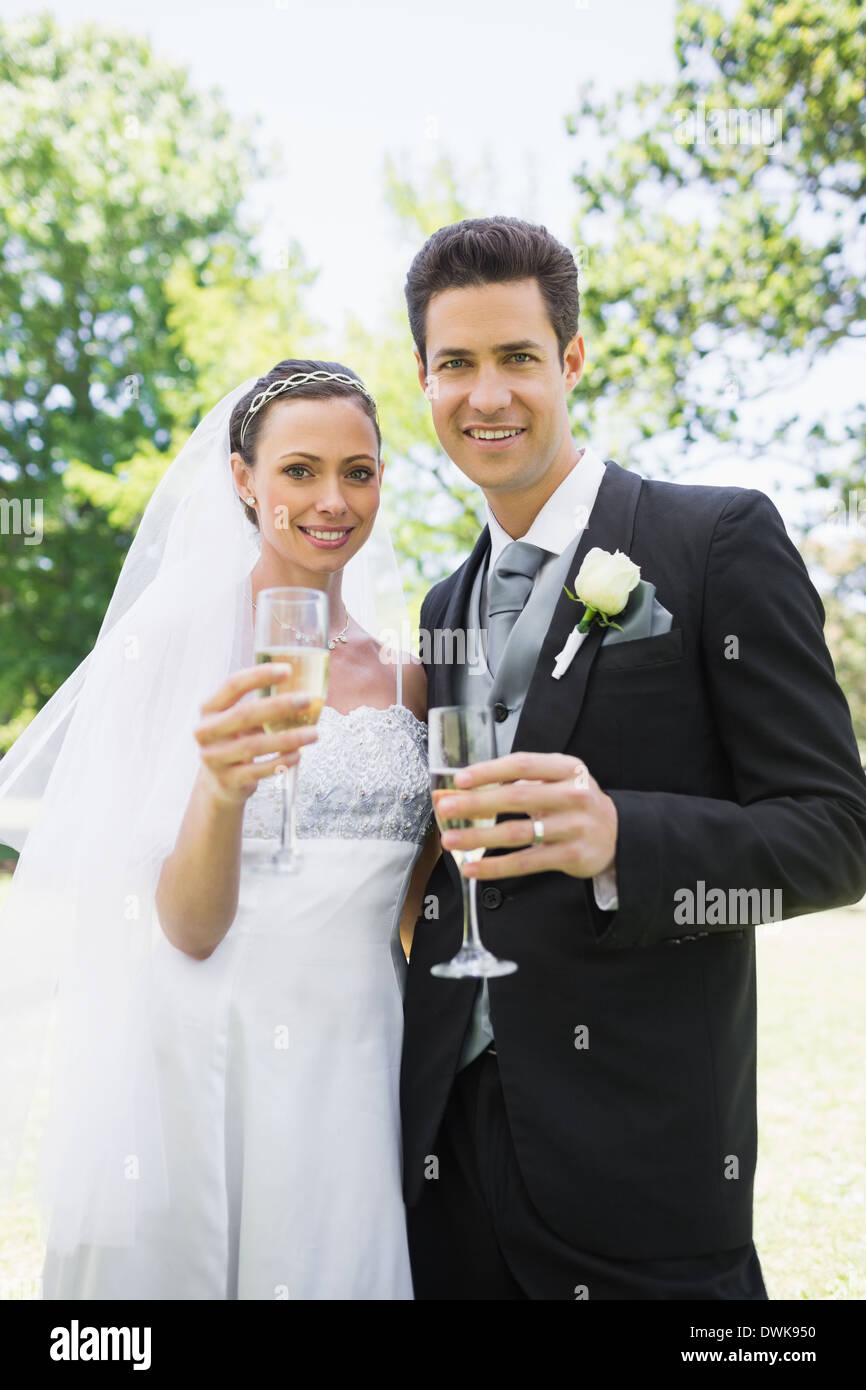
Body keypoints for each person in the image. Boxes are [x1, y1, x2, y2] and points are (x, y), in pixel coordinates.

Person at [398, 215, 866, 1300]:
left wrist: (622, 838)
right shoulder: (441, 607)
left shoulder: (713, 541)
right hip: (442, 1152)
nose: (487, 395)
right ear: (422, 380)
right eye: (454, 364)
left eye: (516, 357)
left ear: (569, 358)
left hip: (641, 1165)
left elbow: (836, 832)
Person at [0, 359, 438, 1300]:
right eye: (299, 470)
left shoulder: (411, 680)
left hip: (358, 1050)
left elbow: (414, 909)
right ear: (244, 480)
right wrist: (223, 787)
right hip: (204, 1042)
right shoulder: (169, 647)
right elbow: (185, 929)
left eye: (358, 472)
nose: (332, 500)